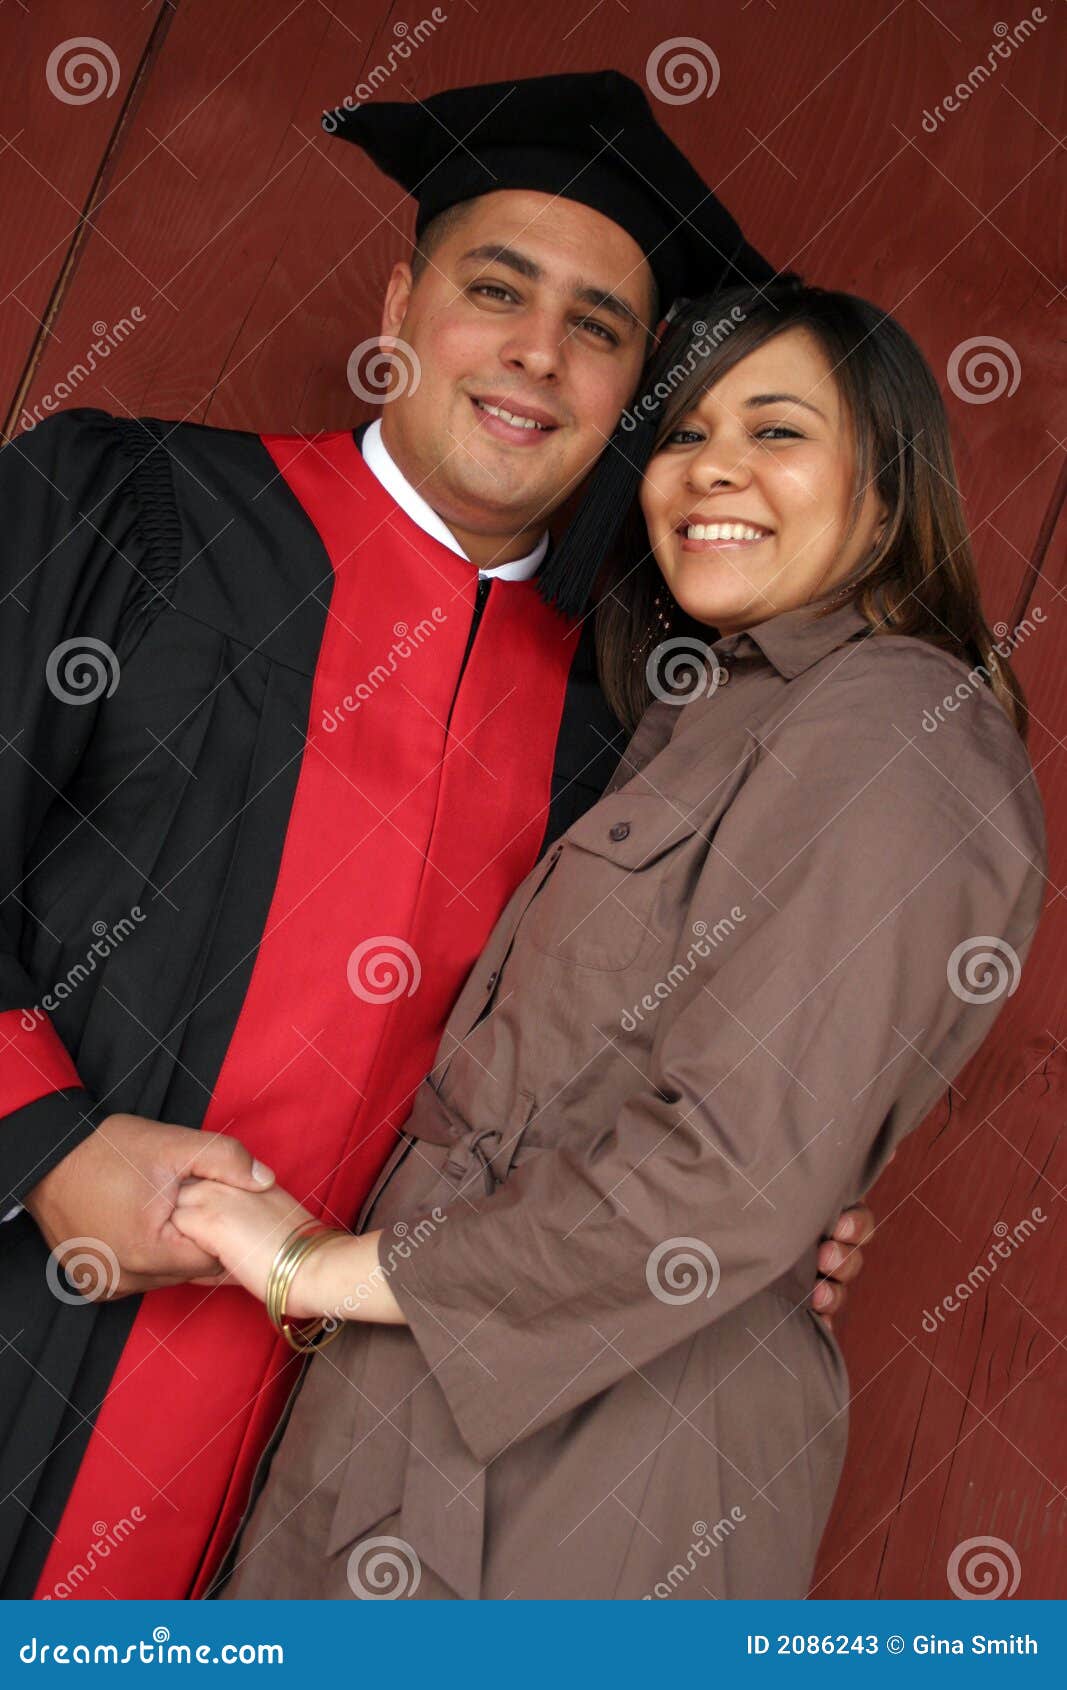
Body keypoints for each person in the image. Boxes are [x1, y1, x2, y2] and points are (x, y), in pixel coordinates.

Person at [0, 74, 868, 1600]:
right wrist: (39, 1140)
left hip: (331, 1466)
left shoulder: (626, 730)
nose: (538, 351)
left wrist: (771, 1209)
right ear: (400, 301)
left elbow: (656, 1089)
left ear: (631, 391)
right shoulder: (127, 510)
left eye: (599, 327)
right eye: (495, 289)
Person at [172, 280, 1046, 1601]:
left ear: (887, 486)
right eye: (684, 434)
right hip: (443, 1403)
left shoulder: (895, 730)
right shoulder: (714, 713)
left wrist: (314, 1266)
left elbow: (732, 1174)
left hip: (600, 1463)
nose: (713, 472)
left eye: (777, 430)